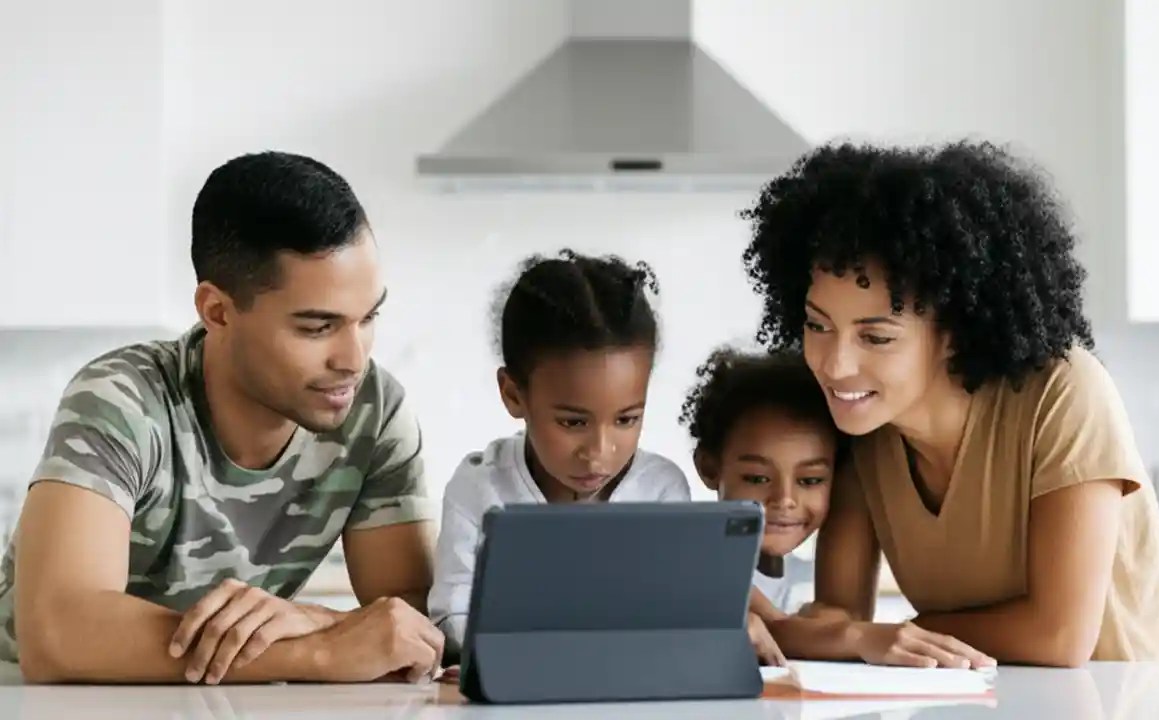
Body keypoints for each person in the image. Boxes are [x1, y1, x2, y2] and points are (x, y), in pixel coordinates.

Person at [740, 140, 1159, 667]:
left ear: (953, 332)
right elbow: (840, 619)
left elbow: (1060, 637)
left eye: (876, 337)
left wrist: (892, 632)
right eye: (818, 326)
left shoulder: (1061, 392)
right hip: (1017, 700)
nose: (835, 365)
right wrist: (766, 621)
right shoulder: (865, 426)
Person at [1, 151, 445, 684]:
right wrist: (316, 651)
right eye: (317, 327)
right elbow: (58, 634)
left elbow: (408, 623)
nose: (353, 359)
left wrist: (312, 620)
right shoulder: (123, 399)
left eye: (368, 317)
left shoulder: (374, 408)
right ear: (217, 311)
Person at [427, 250, 691, 652]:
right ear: (513, 395)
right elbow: (452, 614)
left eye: (626, 419)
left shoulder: (662, 491)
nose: (599, 452)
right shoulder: (479, 488)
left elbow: (679, 613)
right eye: (573, 423)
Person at [679, 347, 842, 667]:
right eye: (757, 478)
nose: (784, 499)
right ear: (710, 468)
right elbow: (779, 629)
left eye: (810, 480)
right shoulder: (694, 561)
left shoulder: (813, 580)